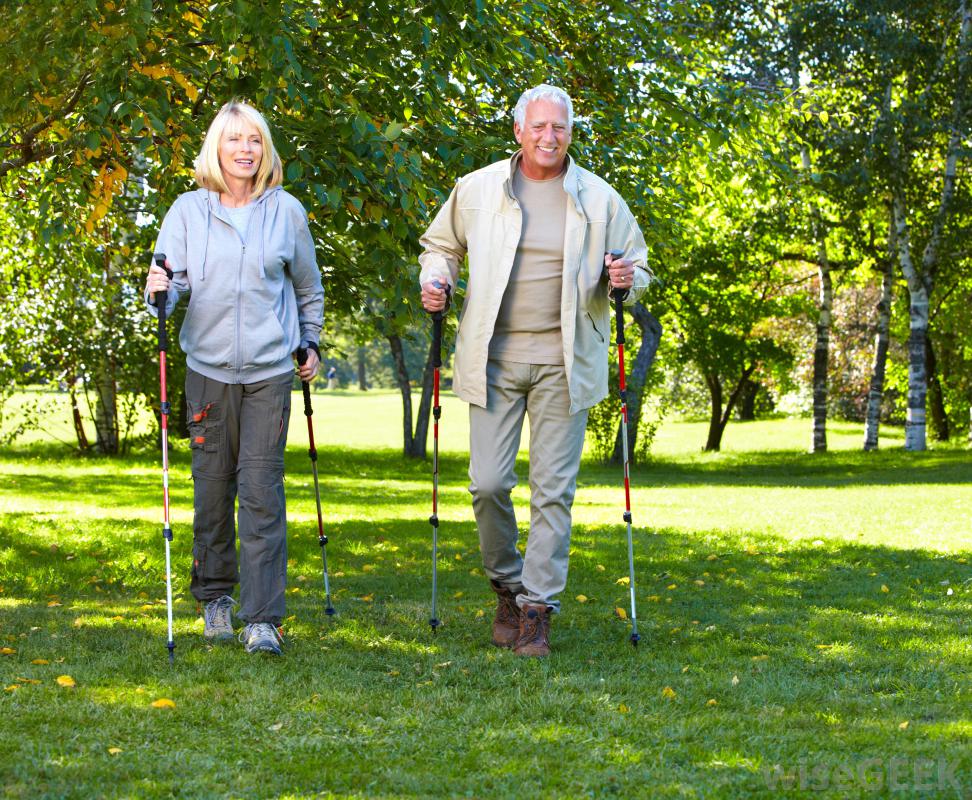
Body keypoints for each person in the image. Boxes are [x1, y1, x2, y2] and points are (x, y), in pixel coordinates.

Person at [419, 84, 652, 657]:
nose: (550, 137)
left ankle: (537, 611)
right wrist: (437, 279)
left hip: (565, 363)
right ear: (519, 131)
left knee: (553, 491)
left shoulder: (598, 199)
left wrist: (626, 278)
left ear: (571, 133)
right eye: (540, 127)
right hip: (492, 358)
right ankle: (507, 584)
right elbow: (440, 245)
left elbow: (638, 263)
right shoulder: (476, 189)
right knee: (488, 484)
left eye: (561, 128)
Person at [145, 101, 324, 655]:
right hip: (208, 372)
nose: (244, 150)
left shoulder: (286, 211)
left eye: (254, 140)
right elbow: (171, 288)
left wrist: (310, 340)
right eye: (233, 140)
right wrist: (158, 291)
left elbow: (307, 287)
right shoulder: (187, 212)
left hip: (271, 373)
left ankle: (262, 618)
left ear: (264, 149)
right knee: (212, 492)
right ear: (215, 150)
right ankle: (216, 599)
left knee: (262, 492)